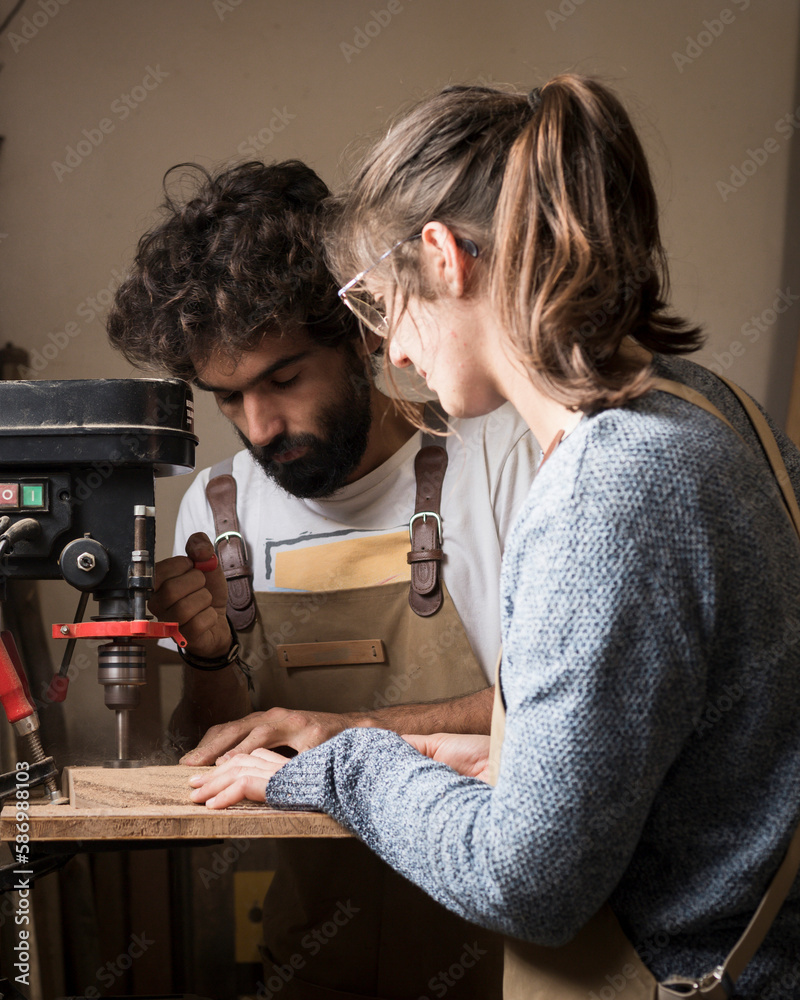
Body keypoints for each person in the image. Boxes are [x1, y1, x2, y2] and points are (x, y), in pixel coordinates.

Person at [189, 77, 800, 999]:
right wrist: (500, 759)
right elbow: (708, 757)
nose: (393, 351)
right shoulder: (707, 405)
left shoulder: (606, 489)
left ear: (442, 257)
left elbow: (530, 886)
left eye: (380, 304)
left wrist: (348, 761)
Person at [107, 158, 538, 999]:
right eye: (229, 399)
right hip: (287, 933)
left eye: (283, 379)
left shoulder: (498, 462)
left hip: (473, 918)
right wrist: (202, 661)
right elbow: (209, 754)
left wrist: (336, 730)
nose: (261, 426)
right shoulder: (214, 504)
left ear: (360, 334)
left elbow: (544, 712)